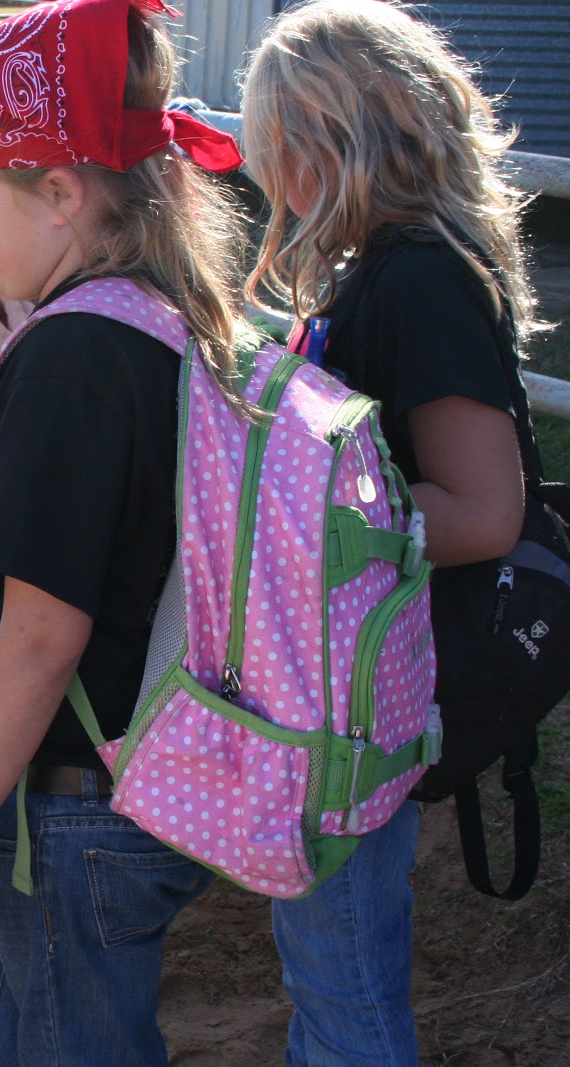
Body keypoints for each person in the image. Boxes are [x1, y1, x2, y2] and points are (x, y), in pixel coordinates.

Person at [0, 1, 251, 1063]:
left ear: (59, 194)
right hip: (84, 804)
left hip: (62, 817)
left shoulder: (74, 362)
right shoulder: (142, 312)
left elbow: (41, 638)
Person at [241, 2, 534, 1062]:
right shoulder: (385, 265)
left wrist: (295, 521)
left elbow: (482, 509)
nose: (259, 167)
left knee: (345, 979)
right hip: (356, 674)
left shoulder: (419, 281)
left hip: (374, 696)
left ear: (329, 145)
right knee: (329, 958)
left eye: (270, 141)